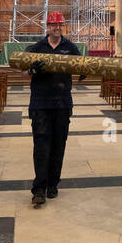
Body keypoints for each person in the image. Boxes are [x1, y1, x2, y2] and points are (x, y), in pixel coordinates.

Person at [23, 11, 81, 206]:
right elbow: (24, 72)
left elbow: (82, 67)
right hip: (40, 103)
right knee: (41, 146)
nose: (57, 28)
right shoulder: (37, 47)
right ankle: (39, 188)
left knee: (58, 146)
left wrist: (84, 73)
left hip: (63, 104)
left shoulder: (70, 47)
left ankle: (53, 184)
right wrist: (32, 70)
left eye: (60, 25)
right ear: (47, 27)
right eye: (53, 25)